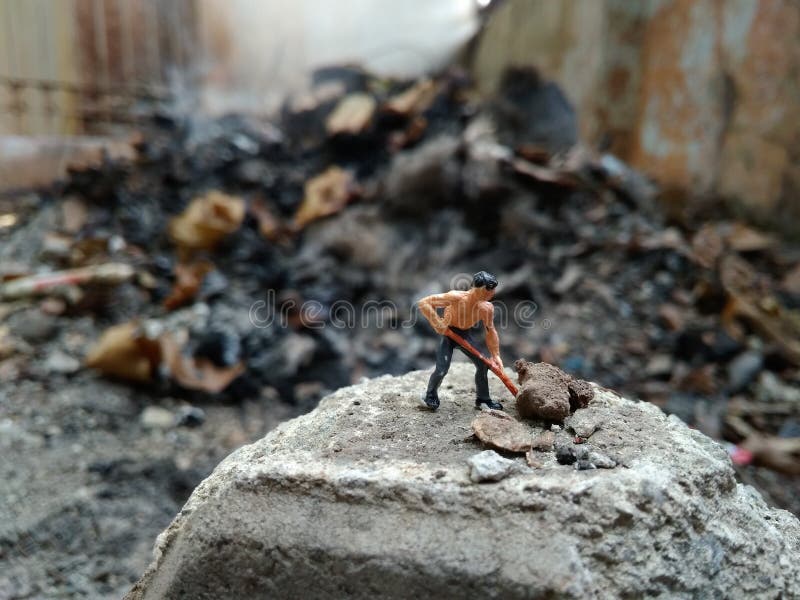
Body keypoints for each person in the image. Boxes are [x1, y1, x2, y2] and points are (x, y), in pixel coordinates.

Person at [417, 271, 504, 410]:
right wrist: (437, 323)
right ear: (479, 289)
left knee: (483, 364)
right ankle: (430, 394)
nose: (492, 295)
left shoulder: (486, 308)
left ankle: (483, 399)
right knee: (441, 369)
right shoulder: (456, 297)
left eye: (492, 292)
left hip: (465, 335)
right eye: (489, 292)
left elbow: (490, 331)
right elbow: (424, 303)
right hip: (449, 334)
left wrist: (496, 355)